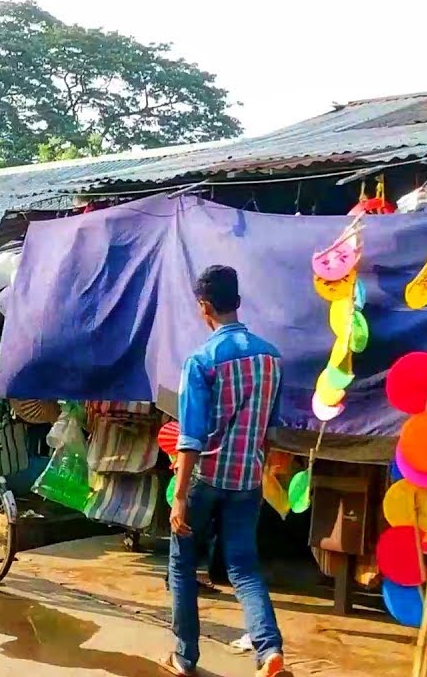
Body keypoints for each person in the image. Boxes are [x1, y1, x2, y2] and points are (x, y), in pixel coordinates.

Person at [162, 266, 288, 677]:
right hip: (247, 480)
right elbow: (269, 430)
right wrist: (257, 466)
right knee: (243, 566)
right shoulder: (271, 357)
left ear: (204, 307)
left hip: (205, 478)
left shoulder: (201, 360)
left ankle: (184, 656)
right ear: (237, 301)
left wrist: (179, 496)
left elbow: (190, 436)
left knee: (182, 563)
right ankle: (269, 653)